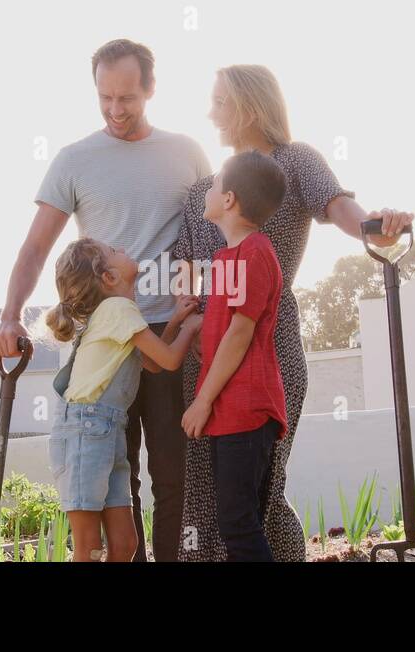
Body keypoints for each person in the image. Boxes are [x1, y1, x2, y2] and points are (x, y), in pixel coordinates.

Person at [170, 64, 415, 561]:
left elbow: (341, 208)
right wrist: (184, 319)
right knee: (204, 494)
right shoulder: (204, 190)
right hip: (206, 349)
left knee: (262, 487)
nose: (210, 114)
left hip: (269, 343)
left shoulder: (295, 161)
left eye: (219, 102)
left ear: (248, 105)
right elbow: (185, 274)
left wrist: (377, 227)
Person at [0, 39, 211, 561]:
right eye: (105, 98)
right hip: (102, 346)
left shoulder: (187, 152)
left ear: (151, 89)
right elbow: (36, 246)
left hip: (164, 332)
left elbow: (210, 238)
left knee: (174, 473)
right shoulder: (75, 159)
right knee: (118, 477)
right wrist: (8, 315)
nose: (116, 110)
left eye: (128, 98)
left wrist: (206, 308)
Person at [44, 237, 202, 562]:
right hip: (85, 431)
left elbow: (154, 363)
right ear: (109, 278)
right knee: (88, 547)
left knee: (126, 543)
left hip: (107, 430)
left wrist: (172, 323)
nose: (123, 249)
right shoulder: (118, 309)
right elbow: (171, 361)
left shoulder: (117, 314)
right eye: (114, 252)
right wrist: (189, 328)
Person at [179, 151, 289, 561]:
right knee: (237, 521)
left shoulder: (255, 252)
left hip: (245, 408)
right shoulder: (227, 258)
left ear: (228, 200)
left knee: (238, 523)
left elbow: (240, 334)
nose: (205, 191)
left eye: (212, 185)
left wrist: (202, 400)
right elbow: (224, 328)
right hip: (231, 411)